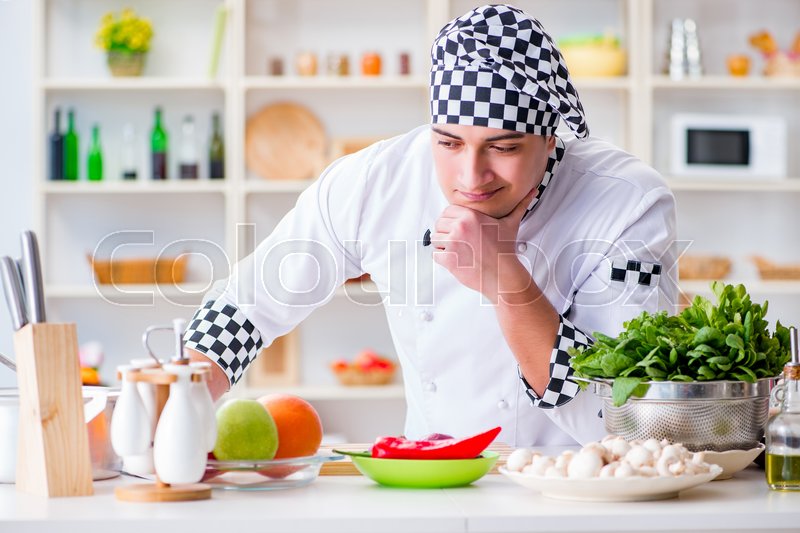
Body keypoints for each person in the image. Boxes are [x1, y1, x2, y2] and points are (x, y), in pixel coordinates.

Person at [184, 4, 678, 446]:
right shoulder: (376, 181)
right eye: (448, 143)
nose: (470, 178)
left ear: (551, 139)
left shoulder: (625, 203)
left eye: (503, 147)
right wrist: (176, 407)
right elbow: (244, 309)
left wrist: (505, 277)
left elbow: (623, 415)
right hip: (432, 480)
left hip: (581, 489)